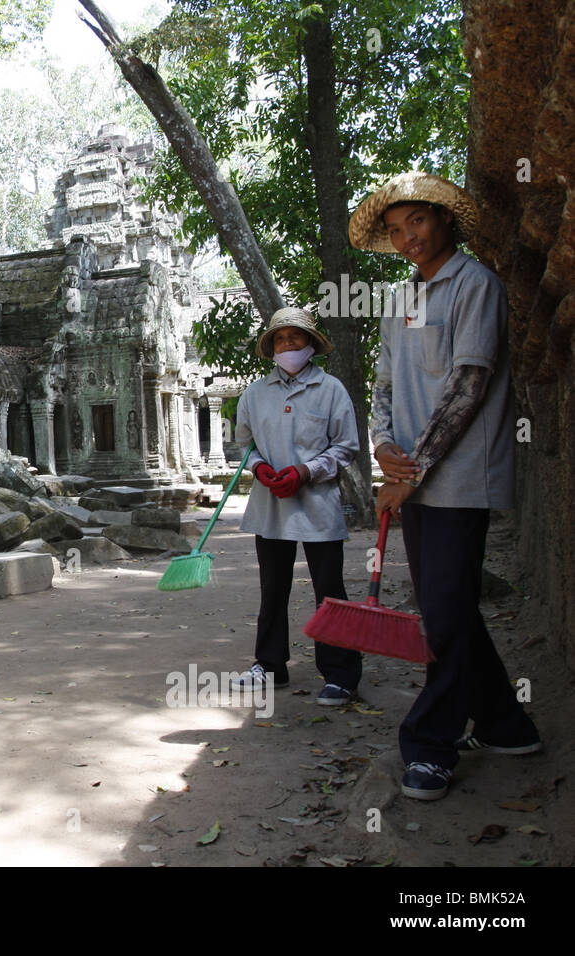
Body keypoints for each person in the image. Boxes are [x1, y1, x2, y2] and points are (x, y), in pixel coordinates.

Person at [349, 171, 541, 801]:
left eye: (419, 222)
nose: (409, 238)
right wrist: (382, 448)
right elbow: (381, 386)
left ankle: (430, 745)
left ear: (444, 220)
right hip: (411, 478)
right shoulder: (400, 299)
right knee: (445, 610)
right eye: (397, 230)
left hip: (460, 479)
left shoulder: (475, 285)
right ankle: (506, 726)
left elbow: (468, 386)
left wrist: (416, 471)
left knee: (446, 616)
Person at [234, 307, 362, 705]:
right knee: (272, 589)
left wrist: (306, 471)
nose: (288, 345)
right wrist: (259, 469)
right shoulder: (254, 394)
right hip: (270, 505)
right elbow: (243, 444)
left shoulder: (332, 390)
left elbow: (346, 446)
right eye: (281, 339)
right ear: (271, 346)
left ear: (311, 344)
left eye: (296, 338)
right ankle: (270, 666)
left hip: (318, 503)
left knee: (329, 590)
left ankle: (340, 673)